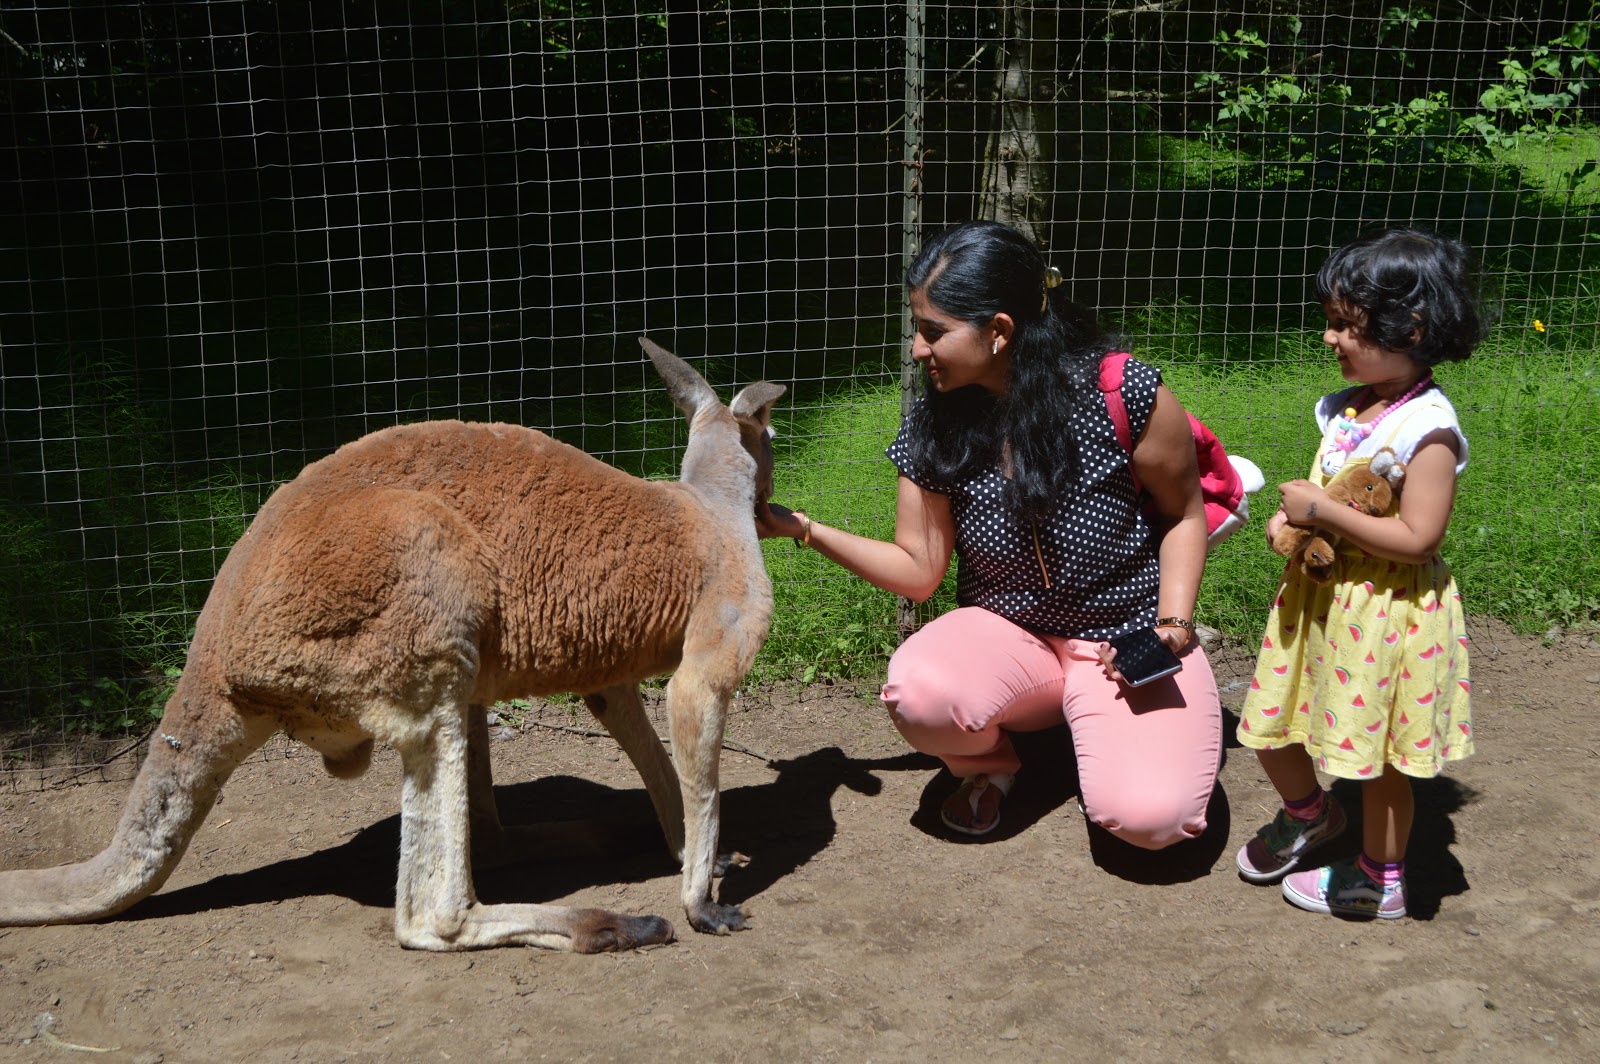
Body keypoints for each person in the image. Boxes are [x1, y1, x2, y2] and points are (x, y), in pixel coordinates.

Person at [757, 220, 1222, 848]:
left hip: (1123, 638)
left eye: (933, 332)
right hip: (1009, 640)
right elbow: (918, 569)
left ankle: (1103, 731)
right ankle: (993, 765)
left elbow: (1184, 515)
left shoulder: (1124, 392)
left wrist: (1171, 627)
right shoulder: (936, 419)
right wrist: (800, 528)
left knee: (1152, 821)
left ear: (999, 331)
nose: (917, 350)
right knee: (921, 691)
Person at [1235, 226, 1484, 919]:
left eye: (1348, 325)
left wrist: (1321, 512)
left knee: (1377, 755)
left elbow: (1418, 538)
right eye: (1331, 321)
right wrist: (1292, 524)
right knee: (1271, 721)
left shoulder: (1428, 430)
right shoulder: (1353, 406)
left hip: (1384, 614)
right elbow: (1338, 495)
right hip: (1319, 603)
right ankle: (1311, 813)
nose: (1330, 338)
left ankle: (1382, 878)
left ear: (1412, 329)